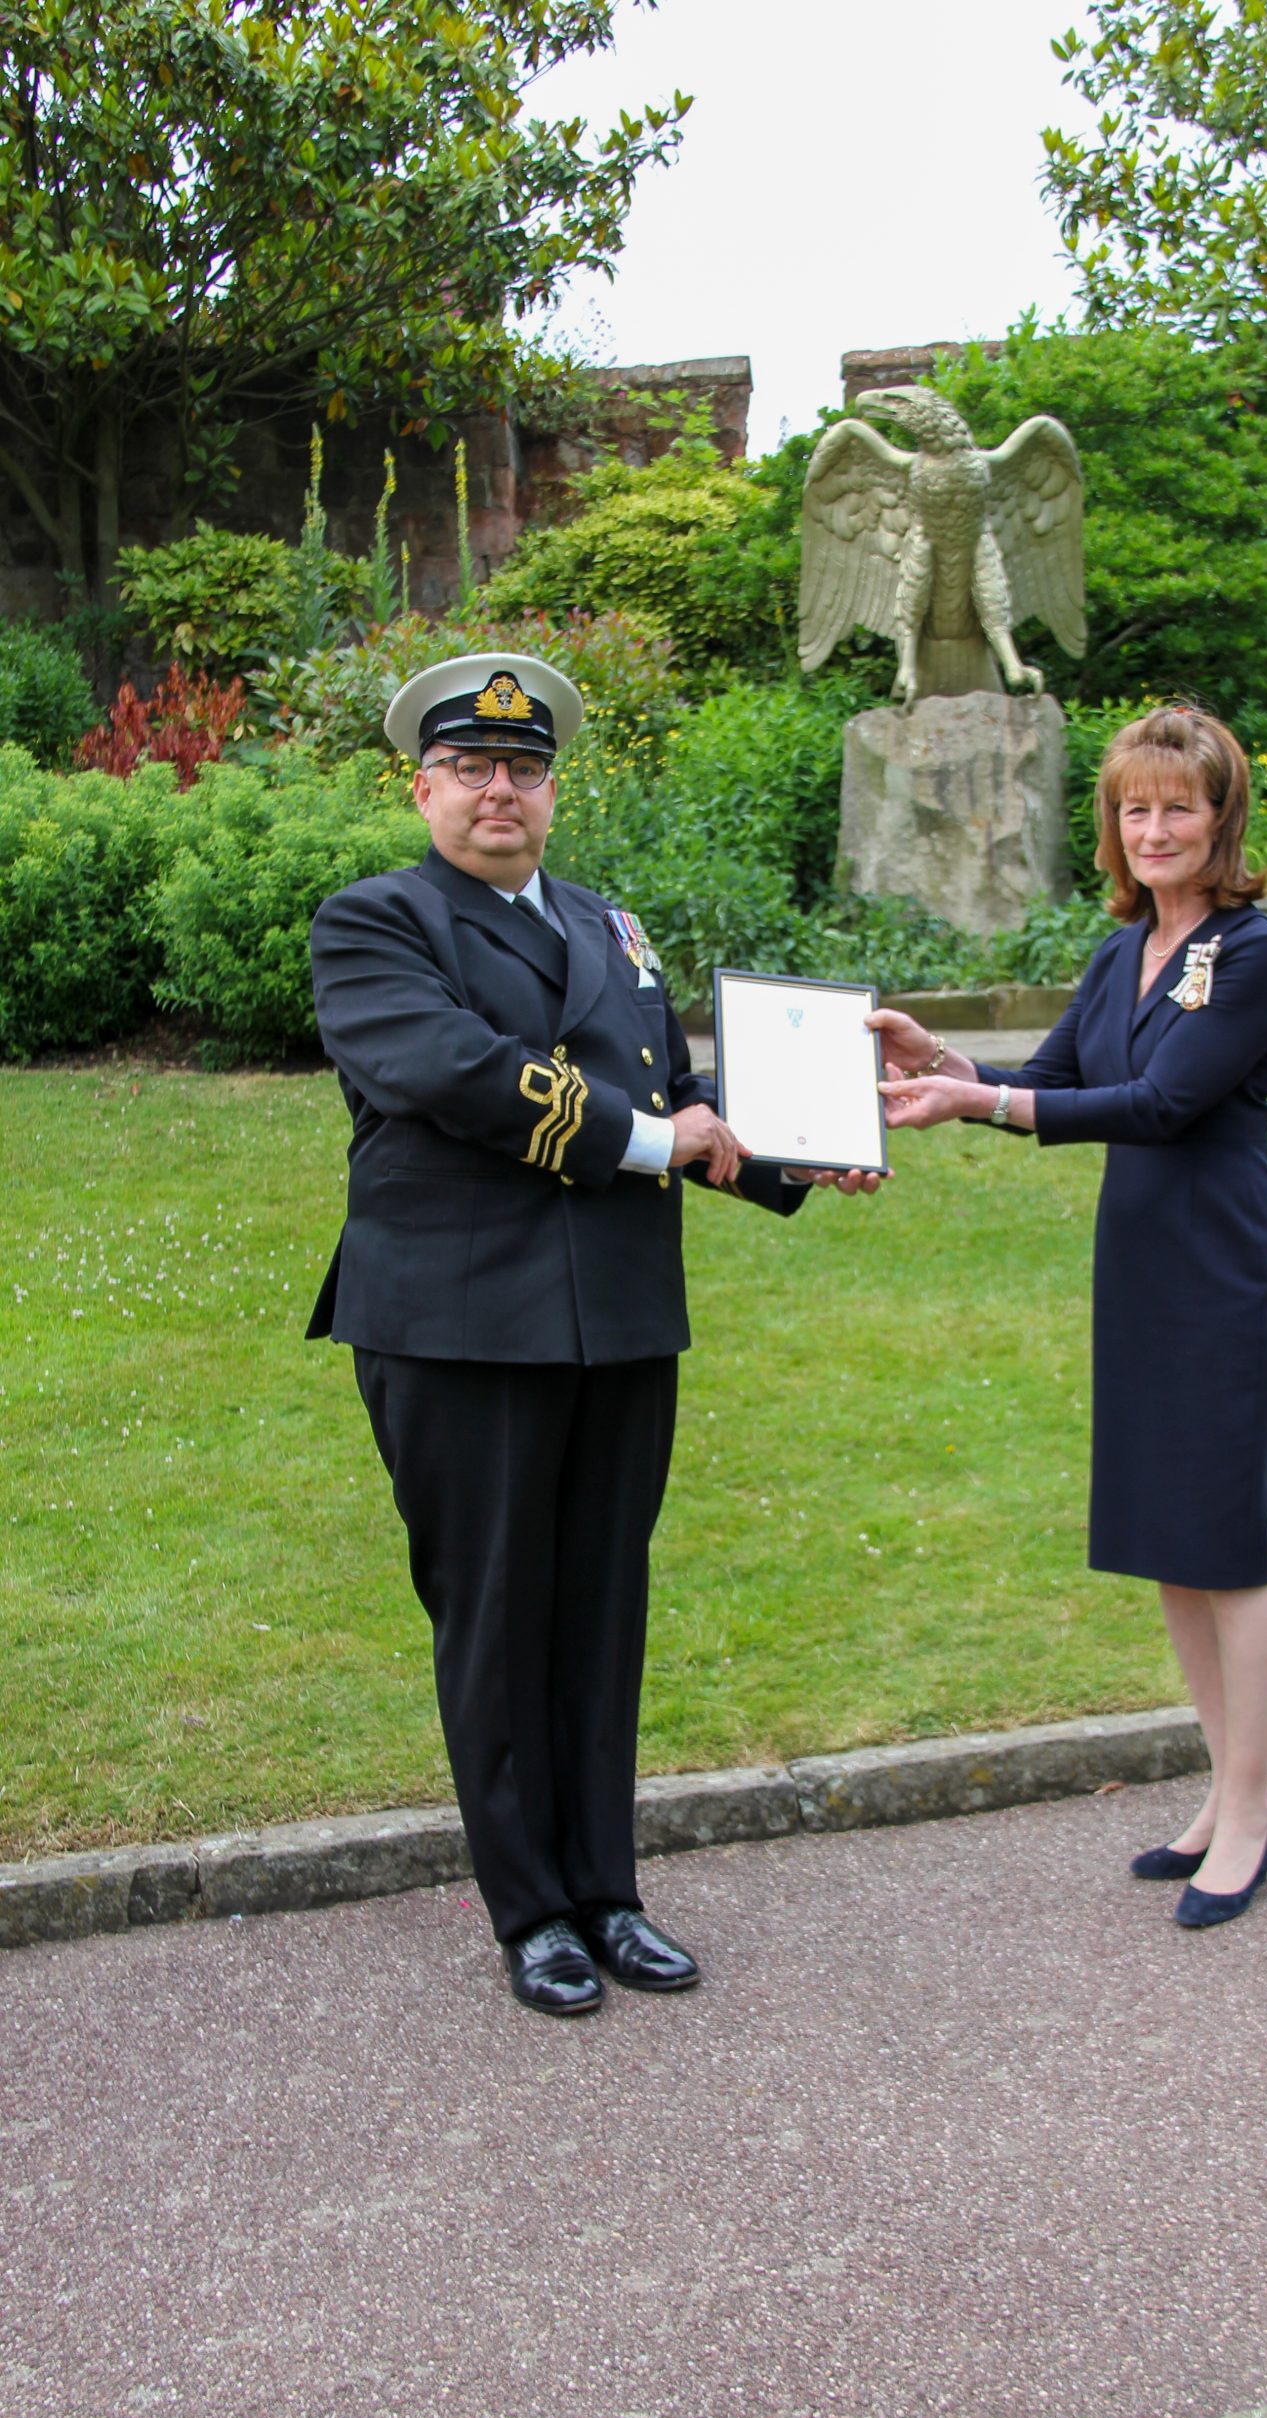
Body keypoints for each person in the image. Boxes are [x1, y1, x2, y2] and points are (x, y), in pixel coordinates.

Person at [308, 653, 879, 2015]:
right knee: (495, 1617)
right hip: (459, 1320)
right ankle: (531, 1912)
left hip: (612, 1318)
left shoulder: (609, 927)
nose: (498, 792)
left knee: (600, 1610)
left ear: (552, 790)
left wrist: (803, 1147)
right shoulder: (373, 923)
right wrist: (647, 1137)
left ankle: (608, 1890)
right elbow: (455, 1074)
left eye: (523, 770)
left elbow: (674, 1091)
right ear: (423, 786)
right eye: (471, 769)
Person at [872, 705, 1267, 1929]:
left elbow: (1160, 1105)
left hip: (1222, 1268)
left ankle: (1257, 1806)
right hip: (1143, 1267)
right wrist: (944, 1062)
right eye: (1133, 807)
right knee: (1171, 1537)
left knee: (1228, 1539)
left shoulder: (1253, 954)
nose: (1153, 828)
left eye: (1178, 805)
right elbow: (1058, 1078)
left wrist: (972, 1109)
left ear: (1221, 817)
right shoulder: (1122, 953)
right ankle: (1224, 1789)